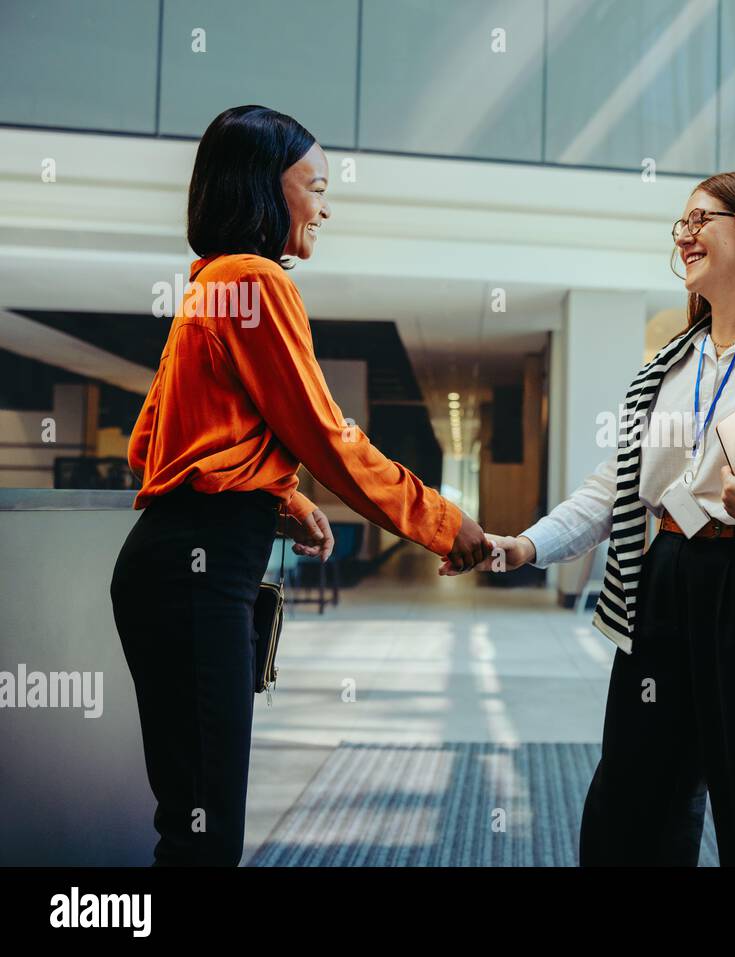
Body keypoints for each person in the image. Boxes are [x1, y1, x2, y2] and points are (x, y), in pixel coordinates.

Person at [450, 172, 735, 866]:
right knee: (634, 805)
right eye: (678, 224)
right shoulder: (665, 367)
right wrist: (527, 545)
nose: (683, 233)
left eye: (701, 218)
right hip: (664, 582)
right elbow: (618, 487)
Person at [110, 105, 493, 866]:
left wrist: (281, 500)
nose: (325, 204)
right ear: (262, 186)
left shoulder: (208, 288)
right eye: (314, 185)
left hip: (161, 565)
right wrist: (449, 523)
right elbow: (327, 435)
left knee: (187, 818)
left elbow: (148, 446)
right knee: (206, 831)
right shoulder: (255, 282)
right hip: (202, 574)